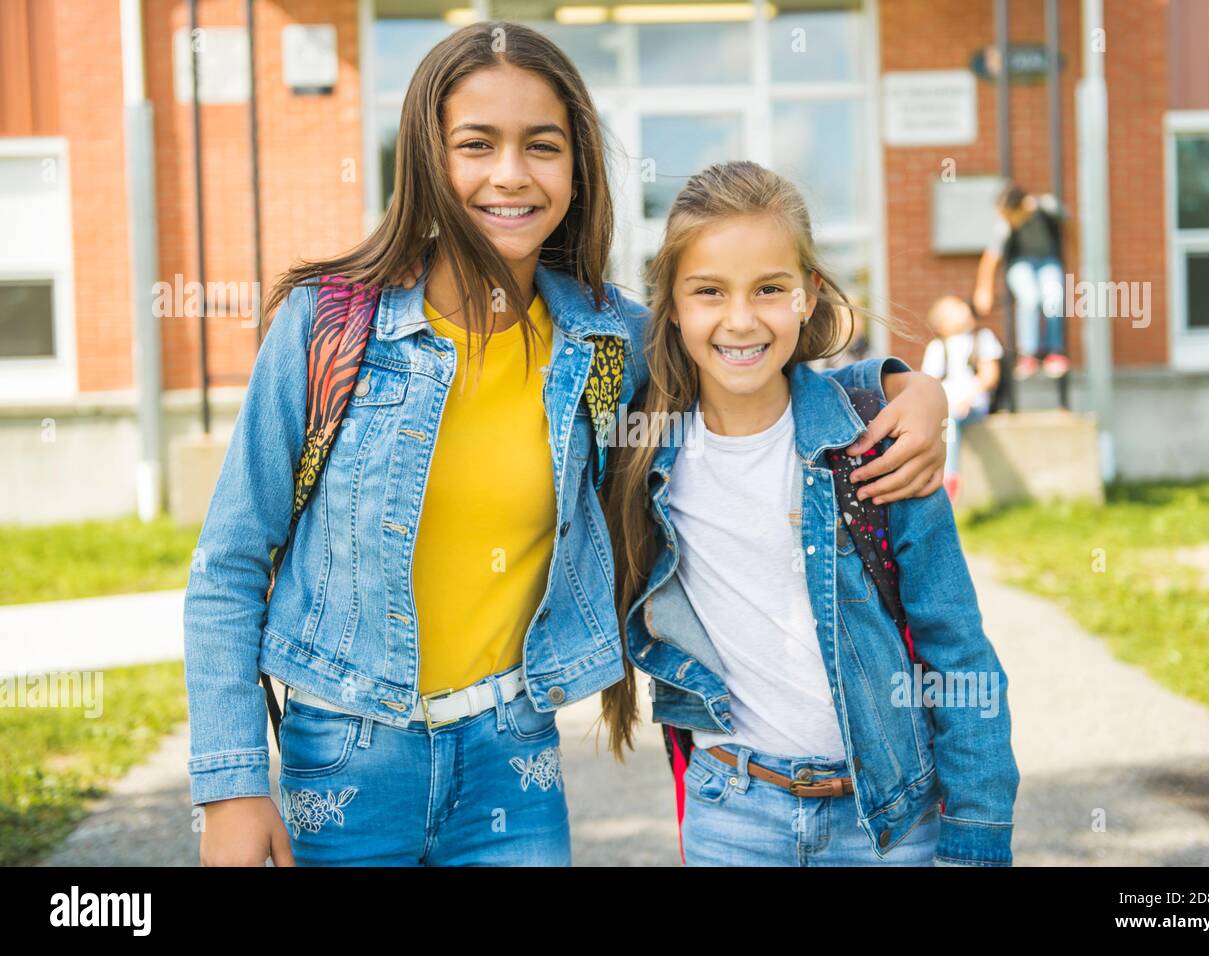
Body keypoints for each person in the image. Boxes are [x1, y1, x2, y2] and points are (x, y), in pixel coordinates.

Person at [185, 22, 953, 866]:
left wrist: (907, 389)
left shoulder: (608, 343)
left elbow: (750, 367)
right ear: (427, 158)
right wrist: (230, 784)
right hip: (344, 760)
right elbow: (229, 562)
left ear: (577, 167)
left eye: (541, 146)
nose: (510, 174)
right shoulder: (329, 326)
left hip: (513, 756)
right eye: (476, 144)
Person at [599, 161, 1019, 867]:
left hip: (888, 823)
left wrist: (976, 844)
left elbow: (959, 652)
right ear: (669, 304)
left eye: (770, 289)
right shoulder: (641, 451)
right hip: (732, 818)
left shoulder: (876, 442)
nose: (740, 319)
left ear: (809, 295)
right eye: (708, 291)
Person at [972, 182, 1068, 379]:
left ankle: (1054, 352)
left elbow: (1071, 226)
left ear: (1021, 207)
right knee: (1029, 298)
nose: (1005, 219)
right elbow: (991, 257)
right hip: (1021, 262)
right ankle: (1028, 354)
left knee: (1053, 297)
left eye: (1007, 214)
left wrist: (1077, 257)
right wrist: (984, 289)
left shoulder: (1047, 208)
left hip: (1048, 260)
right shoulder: (1005, 225)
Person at [921, 295, 1003, 503]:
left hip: (972, 406)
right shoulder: (937, 347)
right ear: (941, 324)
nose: (964, 309)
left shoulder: (982, 338)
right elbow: (930, 384)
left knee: (950, 419)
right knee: (946, 420)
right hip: (947, 409)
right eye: (955, 309)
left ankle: (949, 479)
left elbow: (989, 376)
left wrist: (968, 398)